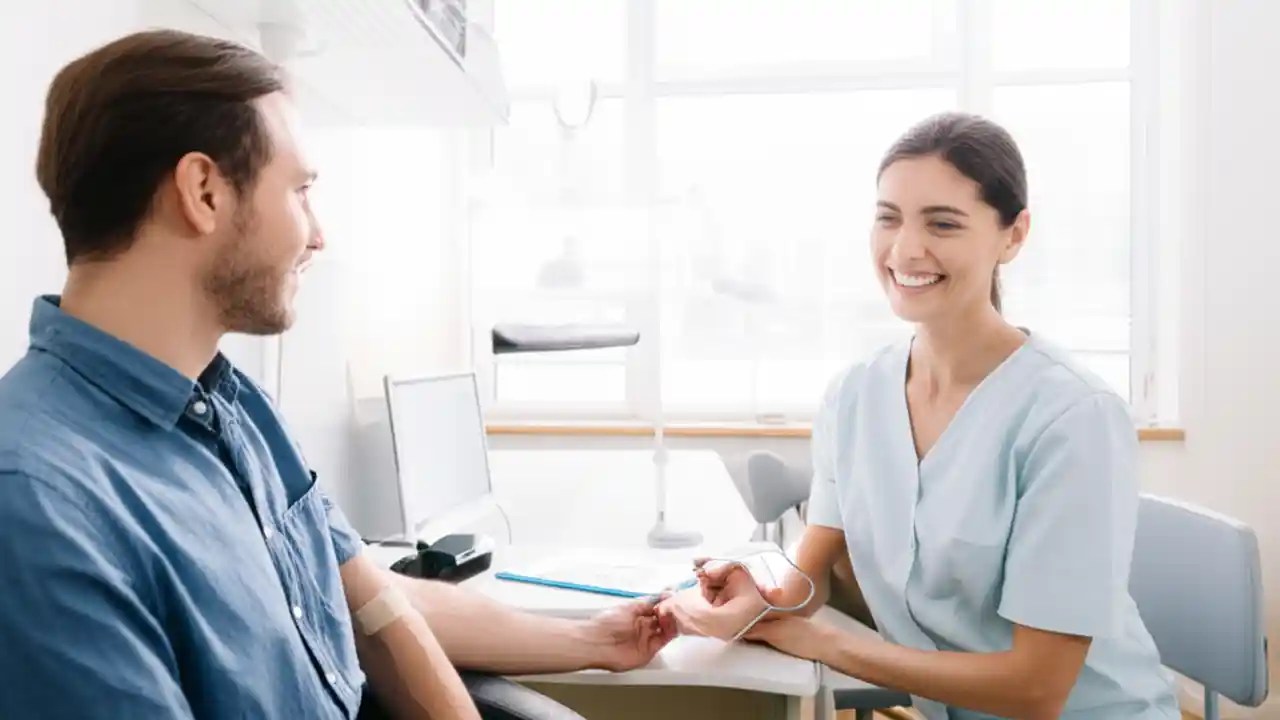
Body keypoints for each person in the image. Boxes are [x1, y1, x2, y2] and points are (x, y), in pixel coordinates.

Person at [0, 30, 674, 719]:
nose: (318, 236)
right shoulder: (39, 503)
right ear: (202, 191)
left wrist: (588, 638)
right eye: (300, 192)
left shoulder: (237, 408)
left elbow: (375, 602)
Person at [659, 112, 1181, 719]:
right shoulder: (853, 397)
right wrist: (761, 594)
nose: (905, 249)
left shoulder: (1073, 418)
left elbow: (1036, 689)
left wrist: (827, 642)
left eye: (943, 223)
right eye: (888, 218)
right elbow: (810, 582)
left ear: (1013, 236)